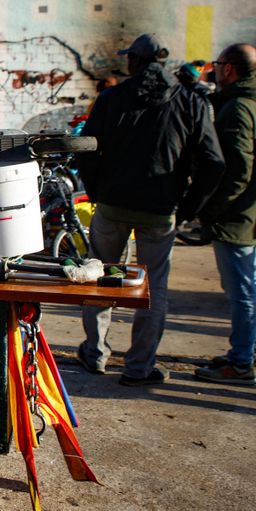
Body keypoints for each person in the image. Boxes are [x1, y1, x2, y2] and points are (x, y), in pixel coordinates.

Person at [76, 33, 226, 386]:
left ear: (134, 62)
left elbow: (86, 147)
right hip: (160, 209)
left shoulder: (113, 98)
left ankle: (95, 354)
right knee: (152, 287)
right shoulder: (190, 101)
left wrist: (97, 189)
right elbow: (213, 162)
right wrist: (188, 207)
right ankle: (139, 367)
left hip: (113, 205)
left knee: (100, 276)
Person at [195, 44, 256, 386]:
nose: (214, 70)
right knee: (249, 283)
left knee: (241, 289)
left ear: (230, 69)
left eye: (217, 65)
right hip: (255, 208)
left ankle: (241, 362)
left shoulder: (241, 109)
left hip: (238, 213)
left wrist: (211, 210)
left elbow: (236, 172)